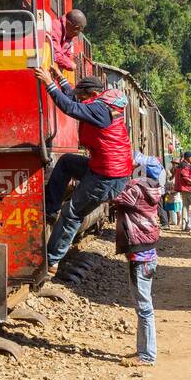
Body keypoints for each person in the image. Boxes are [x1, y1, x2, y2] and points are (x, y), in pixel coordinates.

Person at [35, 68, 133, 273]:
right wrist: (60, 78)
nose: (78, 98)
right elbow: (74, 99)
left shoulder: (100, 110)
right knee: (67, 162)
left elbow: (70, 107)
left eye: (82, 95)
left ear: (92, 95)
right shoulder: (103, 104)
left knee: (72, 213)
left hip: (107, 176)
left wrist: (48, 84)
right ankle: (51, 210)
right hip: (105, 167)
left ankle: (51, 260)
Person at [111, 173, 162, 366]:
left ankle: (147, 355)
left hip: (139, 258)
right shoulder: (152, 190)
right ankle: (143, 351)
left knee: (144, 309)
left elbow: (110, 194)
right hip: (148, 255)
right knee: (144, 307)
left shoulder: (135, 190)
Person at [48, 8, 86, 78]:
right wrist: (70, 64)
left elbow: (68, 53)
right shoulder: (55, 28)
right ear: (76, 28)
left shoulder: (68, 34)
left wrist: (69, 61)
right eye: (79, 31)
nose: (78, 34)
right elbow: (55, 53)